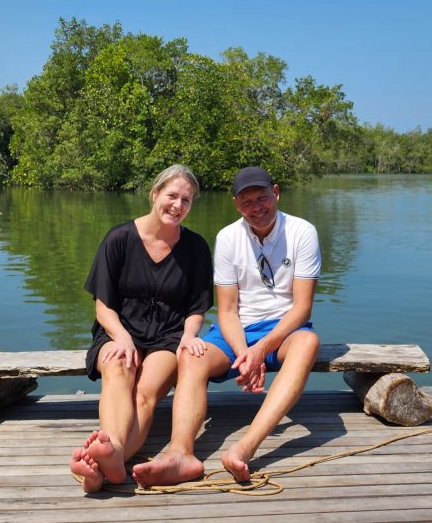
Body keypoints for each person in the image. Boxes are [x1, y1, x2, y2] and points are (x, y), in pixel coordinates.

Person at [133, 166, 321, 486]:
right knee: (191, 354)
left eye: (262, 198)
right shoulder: (227, 237)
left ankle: (244, 448)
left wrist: (261, 350)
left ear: (276, 192)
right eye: (247, 202)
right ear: (236, 204)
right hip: (235, 331)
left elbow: (302, 309)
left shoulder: (303, 232)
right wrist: (244, 352)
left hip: (283, 328)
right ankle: (181, 454)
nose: (256, 207)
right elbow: (228, 311)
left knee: (308, 343)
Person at [69, 164, 213, 493]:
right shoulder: (119, 239)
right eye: (172, 196)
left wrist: (190, 336)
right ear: (154, 194)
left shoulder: (196, 248)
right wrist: (122, 337)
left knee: (145, 394)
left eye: (186, 201)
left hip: (169, 337)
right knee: (120, 367)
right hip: (118, 331)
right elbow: (103, 305)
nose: (178, 206)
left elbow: (196, 308)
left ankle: (109, 459)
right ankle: (114, 455)